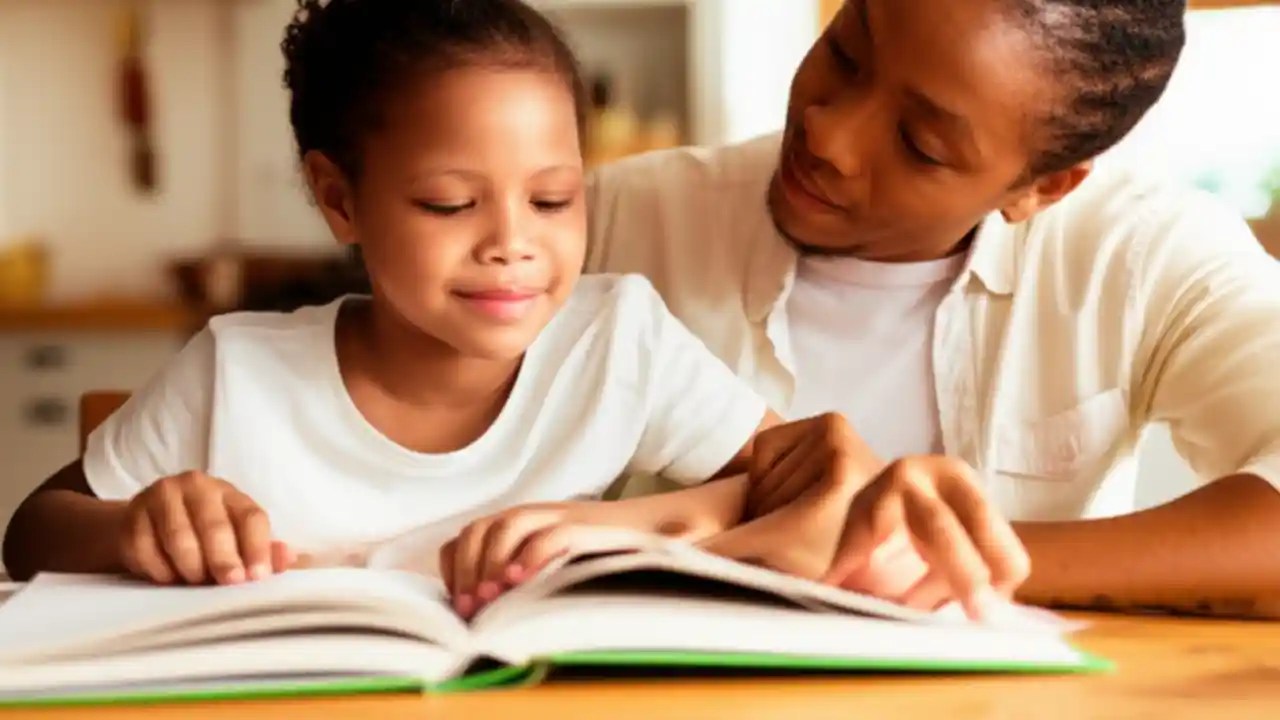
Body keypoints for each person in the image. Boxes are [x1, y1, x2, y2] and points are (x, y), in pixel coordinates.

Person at [0, 0, 1027, 622]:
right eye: (449, 203)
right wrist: (135, 528)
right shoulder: (237, 371)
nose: (513, 242)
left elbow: (803, 487)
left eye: (552, 197)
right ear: (338, 198)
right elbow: (30, 532)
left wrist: (610, 526)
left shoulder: (617, 335)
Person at [586, 0, 1280, 617]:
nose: (829, 135)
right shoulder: (611, 221)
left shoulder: (1142, 252)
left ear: (1042, 187)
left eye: (920, 144)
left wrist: (921, 554)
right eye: (846, 53)